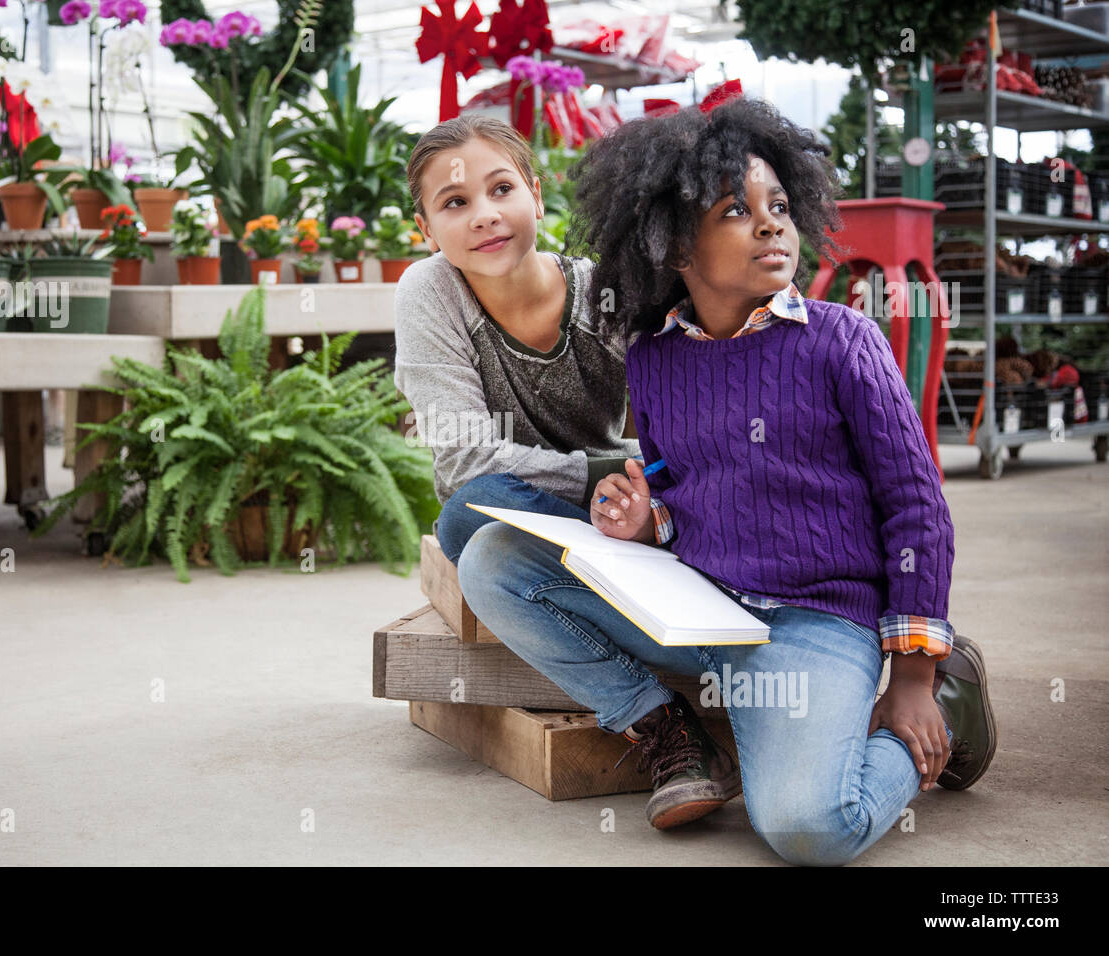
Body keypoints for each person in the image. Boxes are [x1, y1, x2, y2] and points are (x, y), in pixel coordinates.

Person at [456, 96, 998, 866]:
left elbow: (917, 510)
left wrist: (911, 675)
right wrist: (650, 522)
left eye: (779, 205)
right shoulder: (654, 356)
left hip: (812, 620)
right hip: (697, 609)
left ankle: (946, 701)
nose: (772, 224)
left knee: (810, 829)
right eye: (736, 211)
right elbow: (685, 484)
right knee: (493, 559)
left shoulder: (842, 341)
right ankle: (664, 729)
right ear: (675, 242)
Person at [393, 114, 640, 564]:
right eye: (454, 202)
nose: (485, 216)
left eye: (502, 189)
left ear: (537, 197)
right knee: (471, 507)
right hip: (517, 510)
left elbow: (689, 410)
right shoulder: (430, 291)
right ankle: (620, 561)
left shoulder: (602, 290)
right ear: (426, 230)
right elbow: (466, 461)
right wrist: (610, 472)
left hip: (627, 503)